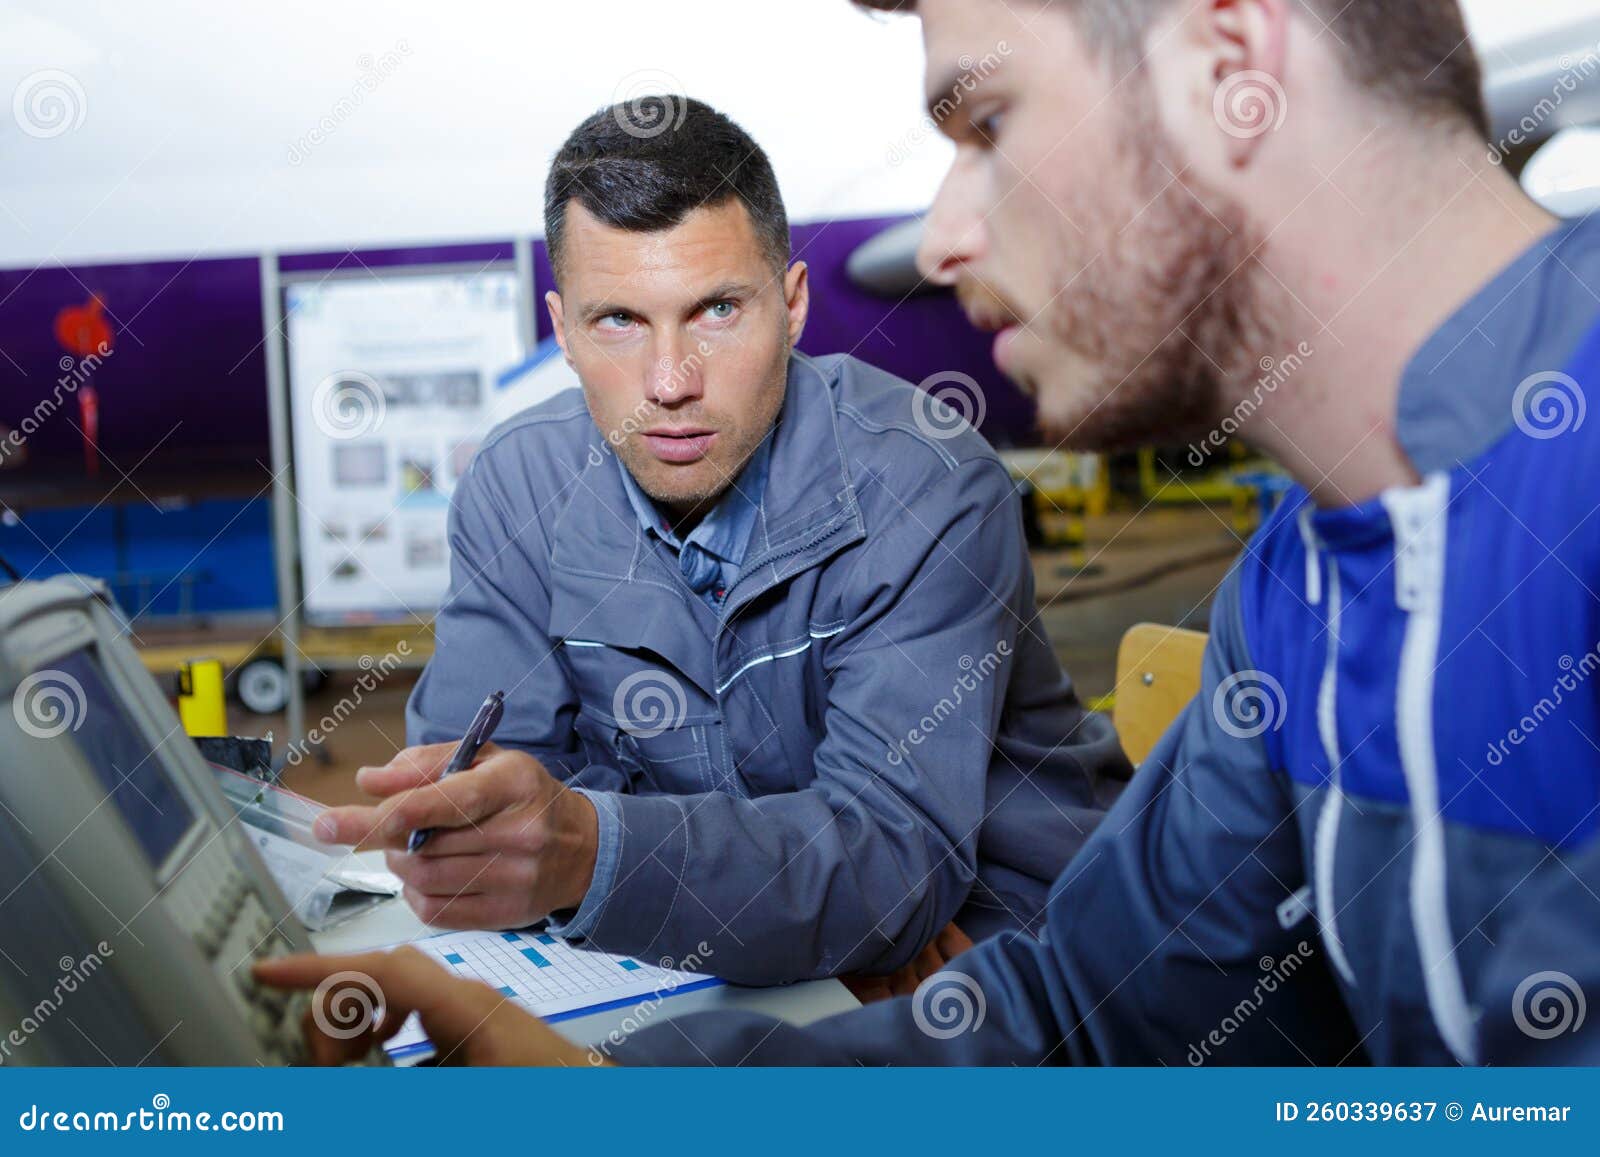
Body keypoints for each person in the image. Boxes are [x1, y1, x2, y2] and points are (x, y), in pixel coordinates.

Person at [260, 0, 1600, 1065]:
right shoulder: (1296, 592)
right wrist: (607, 1093)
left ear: (1230, 58)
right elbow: (1078, 1018)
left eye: (989, 123)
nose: (945, 240)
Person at [305, 95, 1128, 991]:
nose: (669, 382)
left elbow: (891, 869)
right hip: (708, 968)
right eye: (618, 320)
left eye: (717, 311)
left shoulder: (929, 483)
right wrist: (814, 899)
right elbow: (490, 822)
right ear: (563, 330)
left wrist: (592, 845)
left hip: (1017, 954)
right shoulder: (517, 488)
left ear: (794, 304)